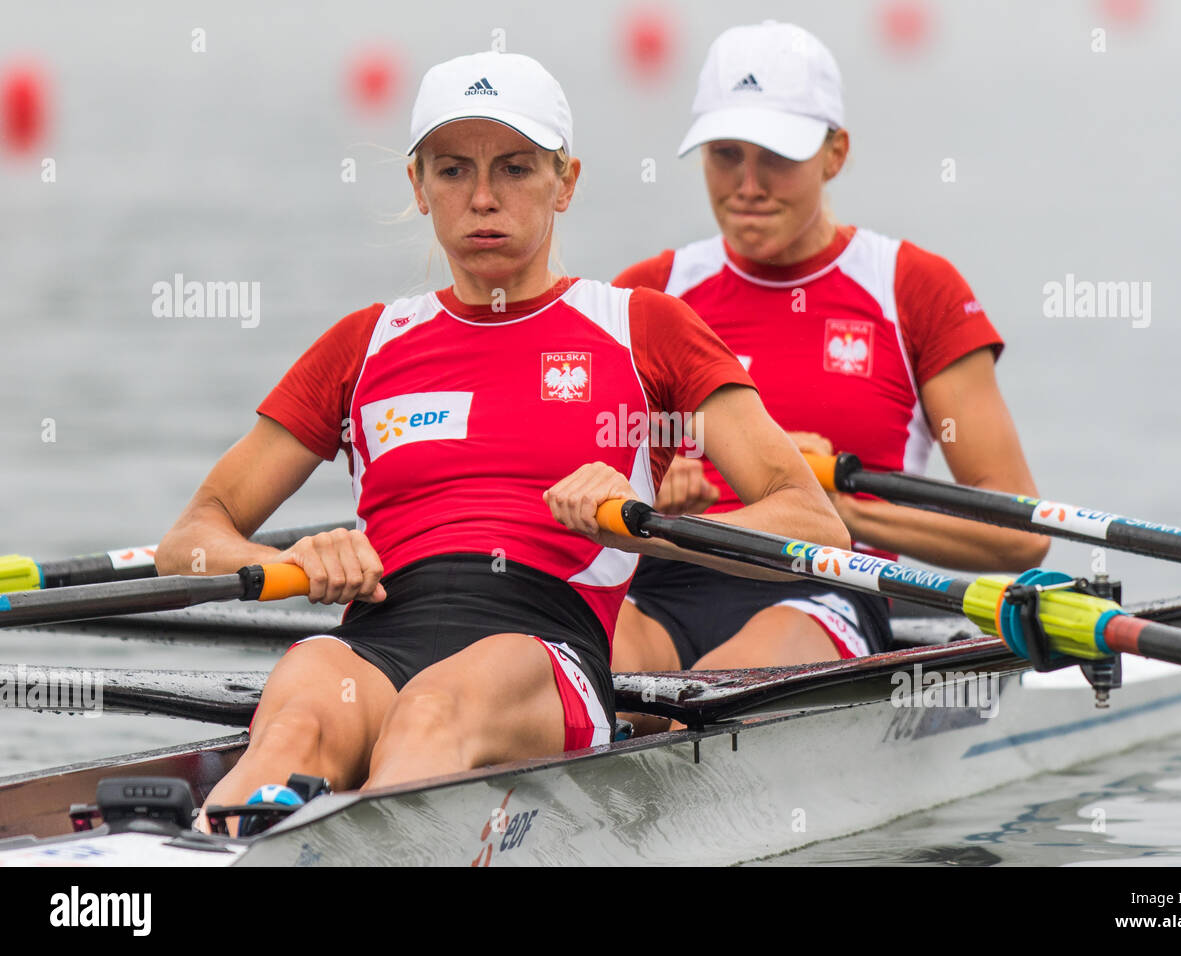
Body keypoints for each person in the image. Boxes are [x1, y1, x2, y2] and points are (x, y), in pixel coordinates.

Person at [155, 49, 848, 826]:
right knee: (298, 714)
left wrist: (647, 526)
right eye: (453, 171)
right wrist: (285, 559)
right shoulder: (364, 343)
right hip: (378, 634)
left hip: (543, 645)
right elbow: (190, 541)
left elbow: (812, 522)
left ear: (566, 182)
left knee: (436, 712)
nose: (483, 198)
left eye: (515, 168)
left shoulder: (644, 328)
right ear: (417, 188)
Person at [611, 22, 1049, 678]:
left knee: (694, 709)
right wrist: (644, 490)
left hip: (827, 586)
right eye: (725, 154)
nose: (748, 184)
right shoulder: (649, 294)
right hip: (664, 585)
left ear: (835, 153)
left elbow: (1019, 532)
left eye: (777, 157)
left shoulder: (911, 288)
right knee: (570, 684)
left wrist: (836, 511)